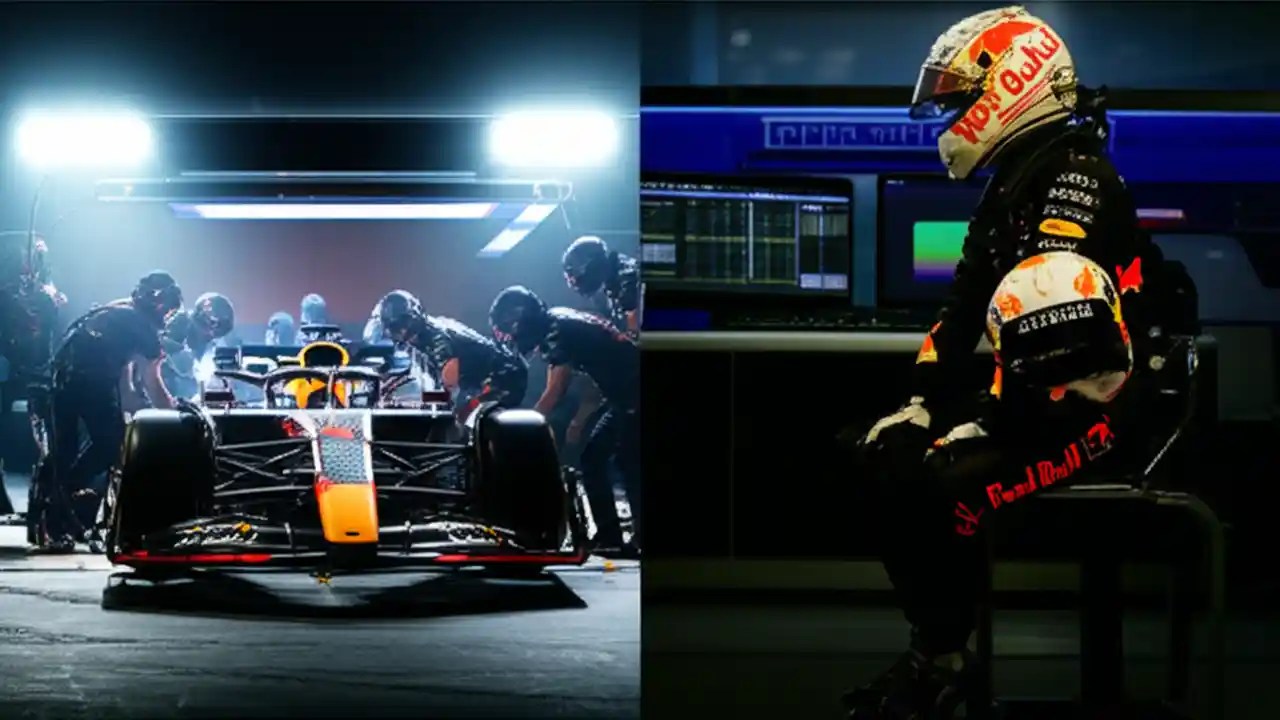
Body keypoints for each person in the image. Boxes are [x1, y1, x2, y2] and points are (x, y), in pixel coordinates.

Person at [843, 7, 1198, 717]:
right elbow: (962, 311)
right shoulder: (1012, 181)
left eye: (960, 100)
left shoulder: (1074, 179)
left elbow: (1061, 339)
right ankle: (939, 653)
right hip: (1041, 403)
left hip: (1106, 413)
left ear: (1012, 84)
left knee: (947, 488)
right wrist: (921, 406)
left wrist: (983, 423)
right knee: (881, 455)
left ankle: (942, 661)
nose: (951, 119)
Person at [34, 271, 181, 551]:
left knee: (62, 451)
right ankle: (69, 498)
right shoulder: (143, 327)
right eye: (169, 310)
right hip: (91, 384)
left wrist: (130, 405)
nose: (169, 317)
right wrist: (174, 414)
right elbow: (151, 381)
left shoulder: (116, 309)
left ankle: (53, 521)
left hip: (59, 381)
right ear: (161, 304)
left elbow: (124, 377)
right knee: (112, 445)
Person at [489, 285, 640, 555]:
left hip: (633, 394)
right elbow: (592, 376)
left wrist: (525, 426)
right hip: (624, 396)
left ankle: (621, 537)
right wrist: (579, 418)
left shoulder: (556, 330)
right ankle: (610, 537)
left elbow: (557, 388)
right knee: (595, 458)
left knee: (627, 463)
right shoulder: (558, 322)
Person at [376, 290, 528, 420]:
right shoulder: (426, 334)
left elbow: (448, 395)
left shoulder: (438, 342)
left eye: (401, 325)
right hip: (489, 376)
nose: (401, 332)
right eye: (395, 328)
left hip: (504, 378)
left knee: (462, 419)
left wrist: (404, 401)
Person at [0, 232, 65, 516]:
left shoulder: (39, 293)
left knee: (44, 437)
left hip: (33, 371)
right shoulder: (9, 295)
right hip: (13, 371)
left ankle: (47, 503)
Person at [160, 292, 235, 401]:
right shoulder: (179, 324)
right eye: (209, 332)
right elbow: (183, 365)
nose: (209, 336)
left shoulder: (209, 345)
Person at [562, 235, 642, 337]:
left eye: (576, 271)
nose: (575, 280)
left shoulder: (629, 282)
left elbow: (632, 332)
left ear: (593, 263)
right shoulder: (614, 282)